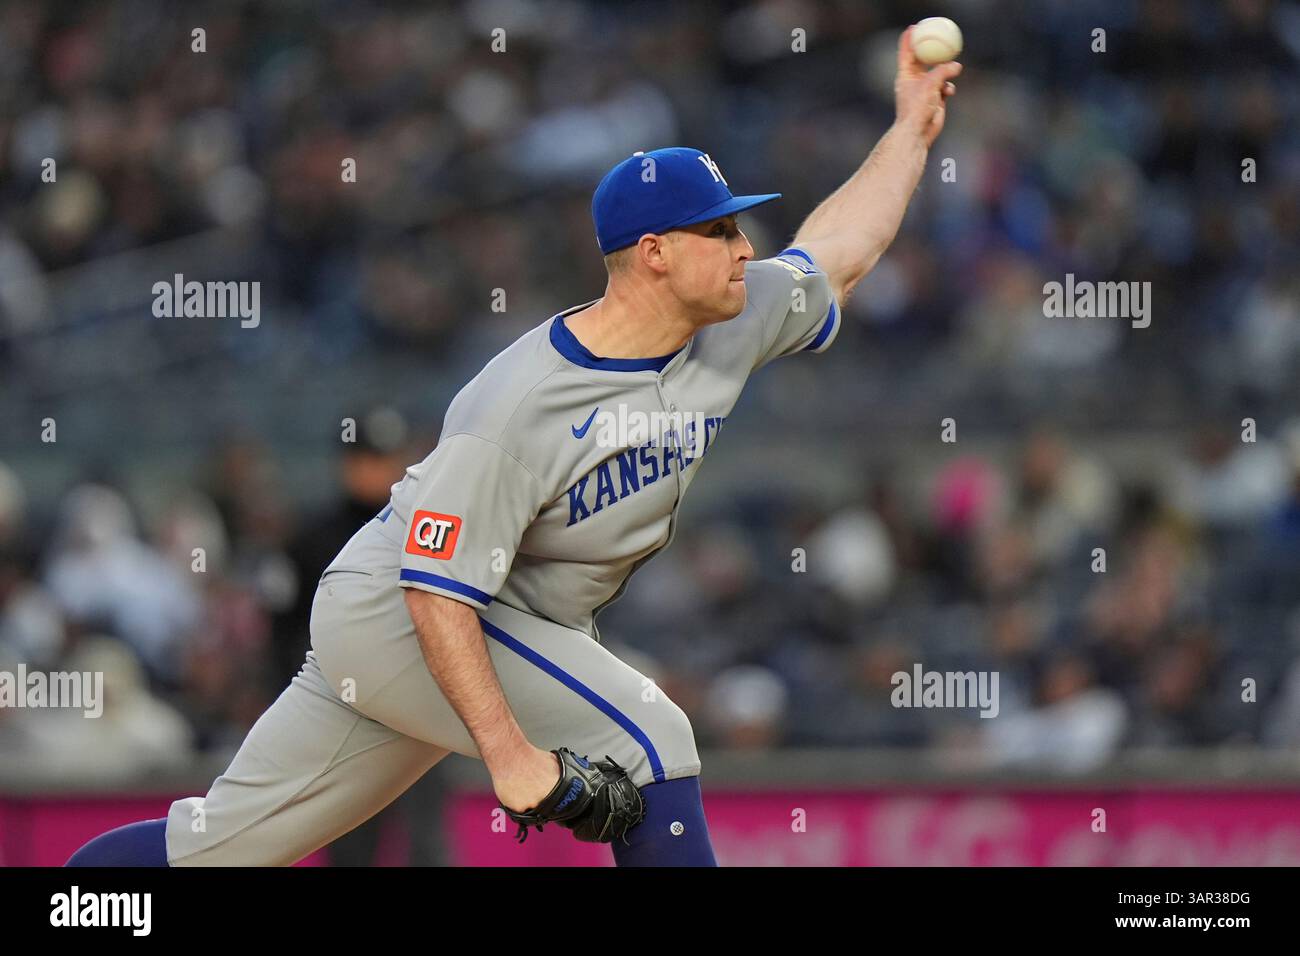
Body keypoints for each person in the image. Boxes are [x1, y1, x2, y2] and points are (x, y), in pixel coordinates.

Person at [66, 26, 960, 867]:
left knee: (224, 846)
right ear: (653, 253)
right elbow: (433, 587)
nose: (744, 246)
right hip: (408, 615)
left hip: (489, 625)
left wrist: (910, 128)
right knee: (654, 737)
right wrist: (511, 755)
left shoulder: (736, 313)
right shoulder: (518, 403)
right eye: (719, 229)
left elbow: (837, 250)